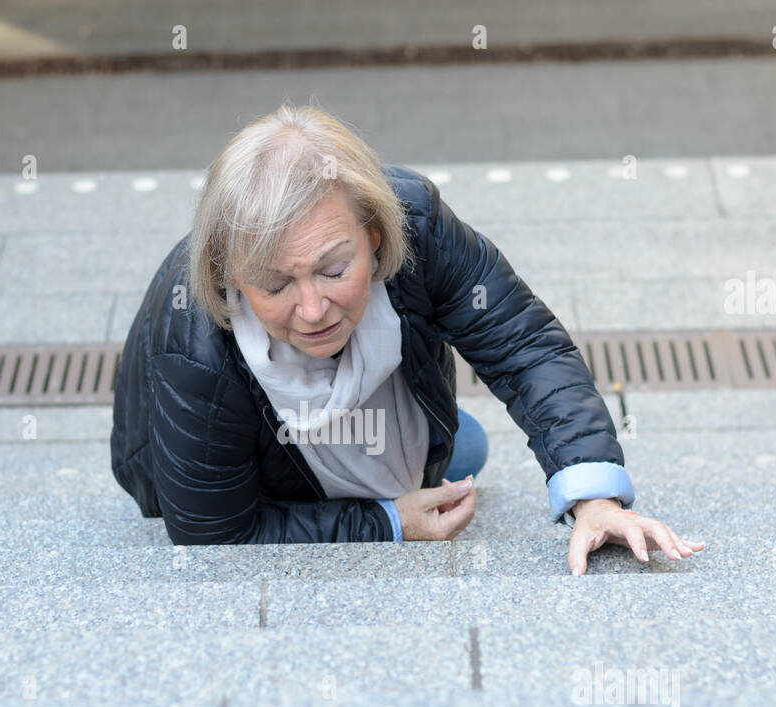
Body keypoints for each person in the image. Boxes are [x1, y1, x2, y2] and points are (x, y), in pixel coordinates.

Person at [110, 104, 704, 575]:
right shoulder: (191, 343)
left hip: (371, 422)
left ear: (373, 233)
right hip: (230, 457)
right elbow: (215, 537)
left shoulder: (415, 219)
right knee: (439, 468)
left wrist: (593, 495)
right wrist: (388, 523)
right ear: (231, 273)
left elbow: (525, 346)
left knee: (462, 453)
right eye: (274, 284)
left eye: (334, 269)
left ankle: (399, 459)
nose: (313, 309)